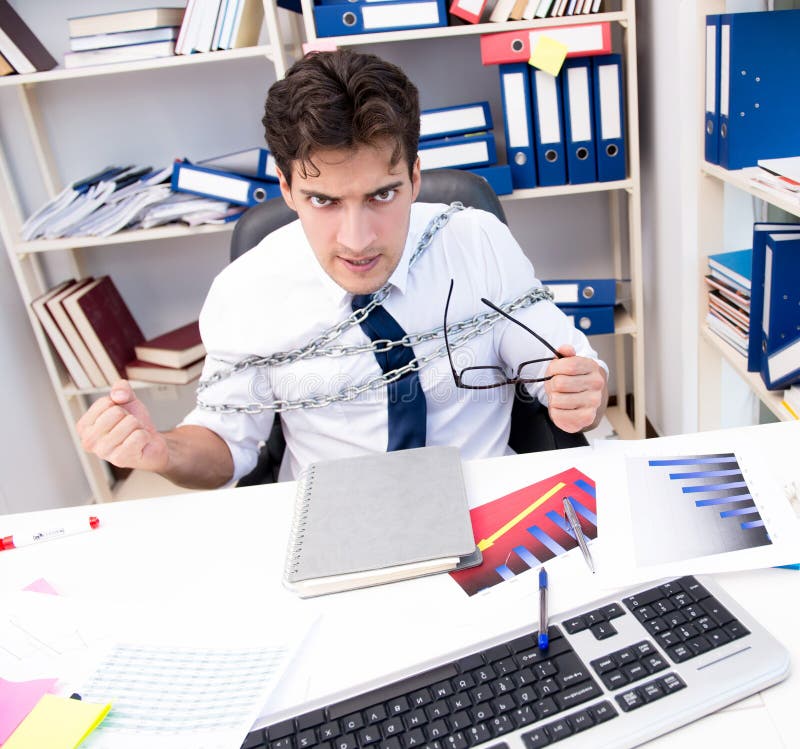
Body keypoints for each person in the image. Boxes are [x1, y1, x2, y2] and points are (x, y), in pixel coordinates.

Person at [77, 49, 608, 489]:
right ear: (287, 190)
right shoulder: (246, 290)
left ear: (416, 178)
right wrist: (162, 450)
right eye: (324, 201)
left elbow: (566, 374)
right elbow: (225, 447)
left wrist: (582, 393)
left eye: (382, 194)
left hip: (482, 499)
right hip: (329, 517)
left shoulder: (477, 242)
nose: (358, 240)